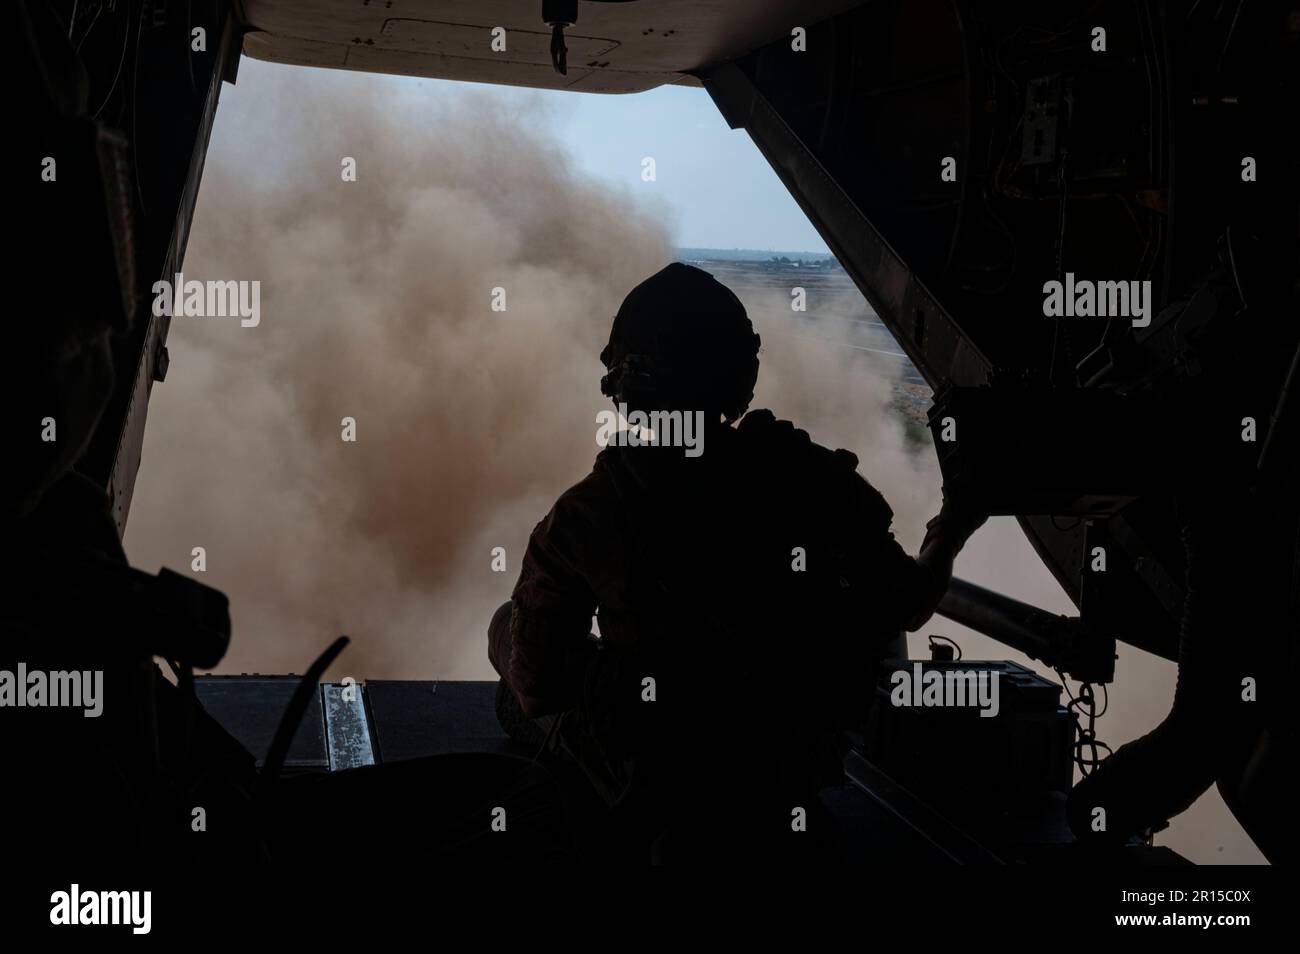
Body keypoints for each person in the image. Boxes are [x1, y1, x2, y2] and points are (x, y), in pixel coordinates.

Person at [489, 263, 985, 861]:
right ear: (740, 376)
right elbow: (909, 601)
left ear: (629, 388)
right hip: (787, 778)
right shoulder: (813, 480)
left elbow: (538, 689)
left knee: (505, 636)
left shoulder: (594, 512)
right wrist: (953, 521)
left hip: (666, 788)